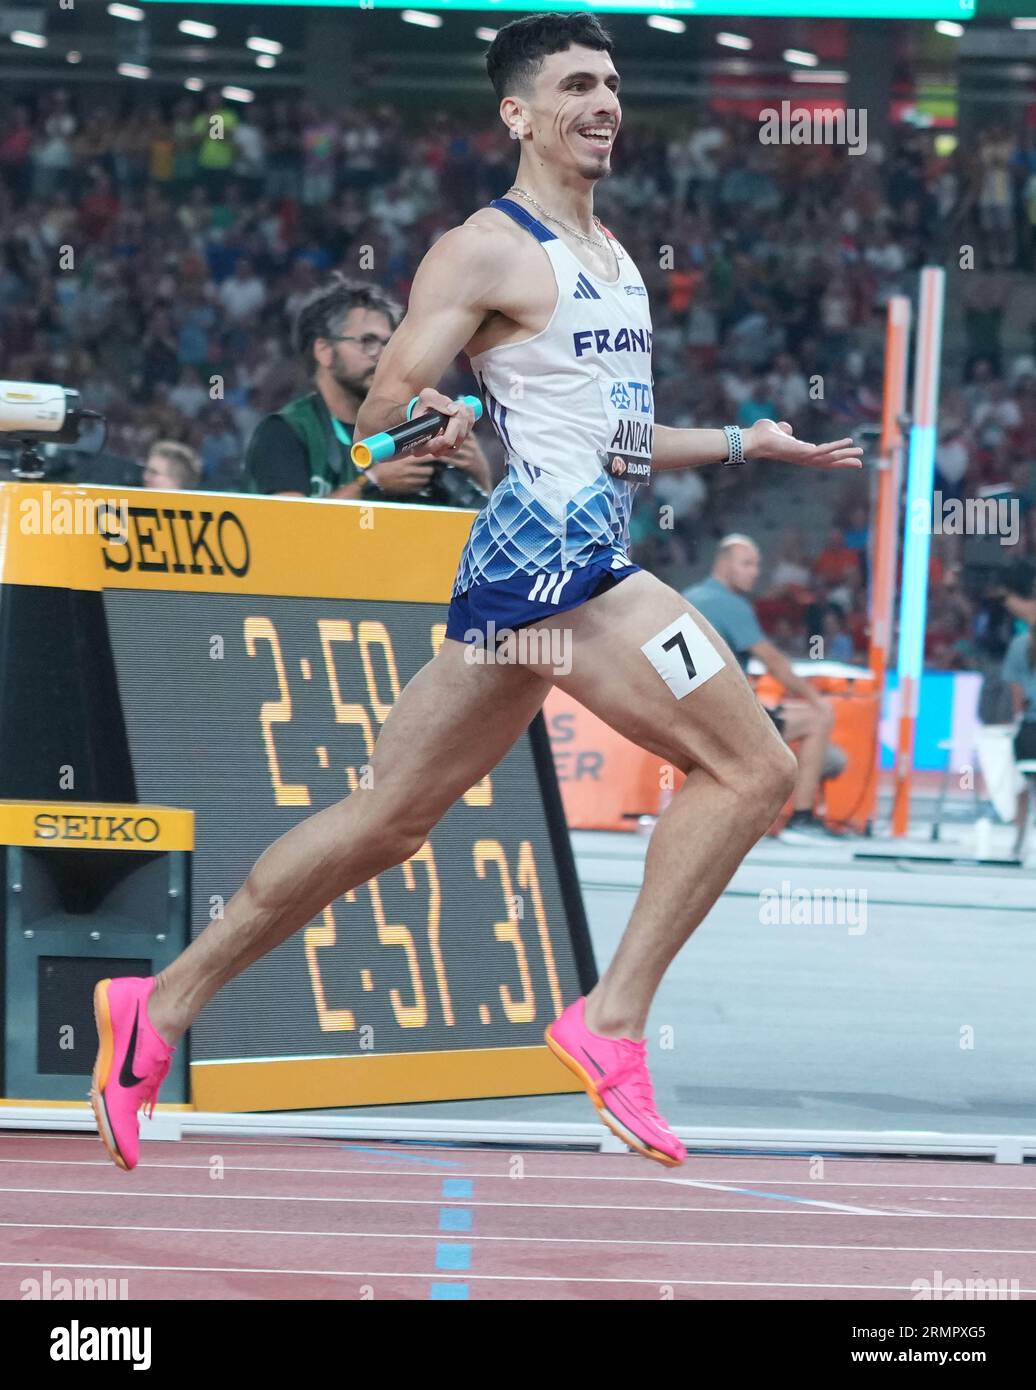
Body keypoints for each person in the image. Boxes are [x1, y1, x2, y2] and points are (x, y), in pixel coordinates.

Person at [90, 13, 860, 1173]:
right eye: (576, 85)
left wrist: (747, 442)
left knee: (387, 822)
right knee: (751, 766)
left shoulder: (611, 255)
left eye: (611, 83)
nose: (604, 103)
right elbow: (373, 408)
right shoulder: (482, 249)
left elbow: (615, 440)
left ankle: (159, 1004)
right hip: (558, 566)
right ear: (517, 113)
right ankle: (606, 1024)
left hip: (537, 563)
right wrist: (433, 420)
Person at [245, 273, 491, 502]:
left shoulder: (417, 430)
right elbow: (284, 530)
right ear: (324, 351)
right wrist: (372, 483)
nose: (383, 356)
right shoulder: (286, 431)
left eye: (389, 345)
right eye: (368, 341)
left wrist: (479, 474)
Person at [685, 536, 846, 842]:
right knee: (818, 720)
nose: (755, 572)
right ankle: (801, 819)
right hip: (724, 719)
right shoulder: (729, 604)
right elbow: (773, 661)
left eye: (757, 565)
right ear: (724, 563)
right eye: (747, 564)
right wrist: (816, 699)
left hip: (692, 715)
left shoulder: (686, 596)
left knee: (830, 755)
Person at [1002, 621, 1036, 859]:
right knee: (1023, 785)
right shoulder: (1019, 647)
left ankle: (1019, 839)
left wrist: (1018, 717)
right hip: (1028, 725)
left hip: (1026, 725)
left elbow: (1016, 689)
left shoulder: (1018, 645)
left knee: (1023, 786)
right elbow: (1015, 687)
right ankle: (1019, 838)